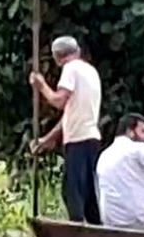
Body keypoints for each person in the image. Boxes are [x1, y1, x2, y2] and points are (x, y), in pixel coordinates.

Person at [29, 36, 103, 224]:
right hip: (90, 137)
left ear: (56, 57)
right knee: (87, 191)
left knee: (72, 189)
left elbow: (59, 101)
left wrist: (41, 86)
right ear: (77, 51)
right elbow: (70, 114)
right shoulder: (90, 71)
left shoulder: (71, 69)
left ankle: (77, 227)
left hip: (79, 139)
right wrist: (48, 139)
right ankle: (96, 226)